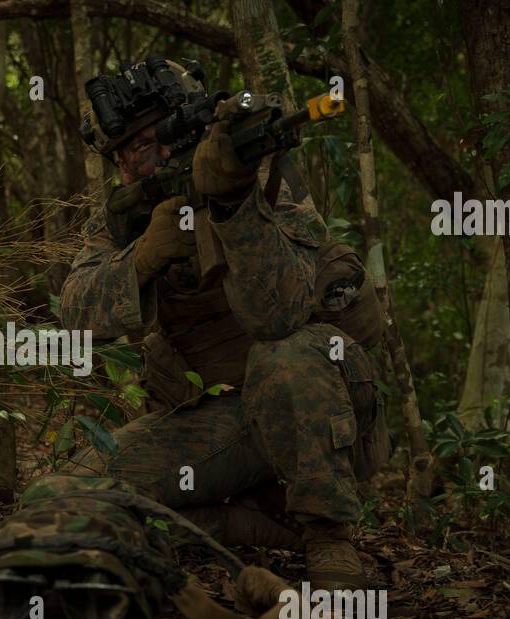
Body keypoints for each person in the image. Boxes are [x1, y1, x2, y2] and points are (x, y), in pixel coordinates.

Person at [60, 58, 389, 591]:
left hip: (311, 409)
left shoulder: (267, 179)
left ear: (179, 133)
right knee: (70, 493)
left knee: (292, 352)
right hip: (217, 421)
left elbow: (277, 316)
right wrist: (141, 259)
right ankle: (236, 523)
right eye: (119, 154)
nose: (128, 165)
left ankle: (328, 536)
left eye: (142, 145)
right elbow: (75, 314)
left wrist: (234, 203)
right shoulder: (133, 212)